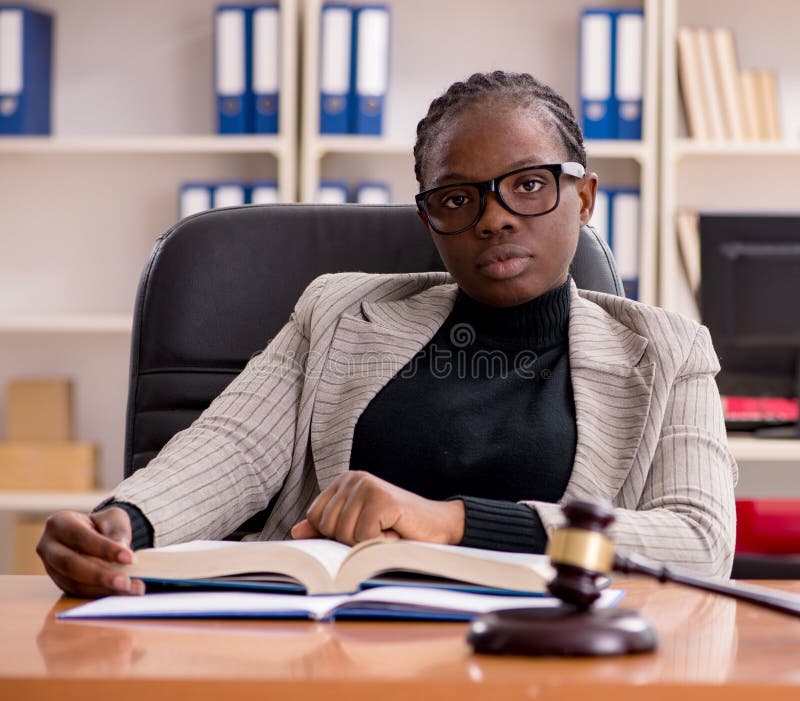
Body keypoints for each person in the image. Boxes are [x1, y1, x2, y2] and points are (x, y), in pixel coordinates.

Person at [37, 71, 737, 598]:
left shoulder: (667, 350)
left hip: (536, 657)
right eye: (458, 198)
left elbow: (701, 542)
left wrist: (451, 521)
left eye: (528, 185)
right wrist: (126, 523)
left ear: (583, 198)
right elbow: (232, 450)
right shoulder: (338, 312)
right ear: (429, 220)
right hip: (320, 649)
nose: (494, 219)